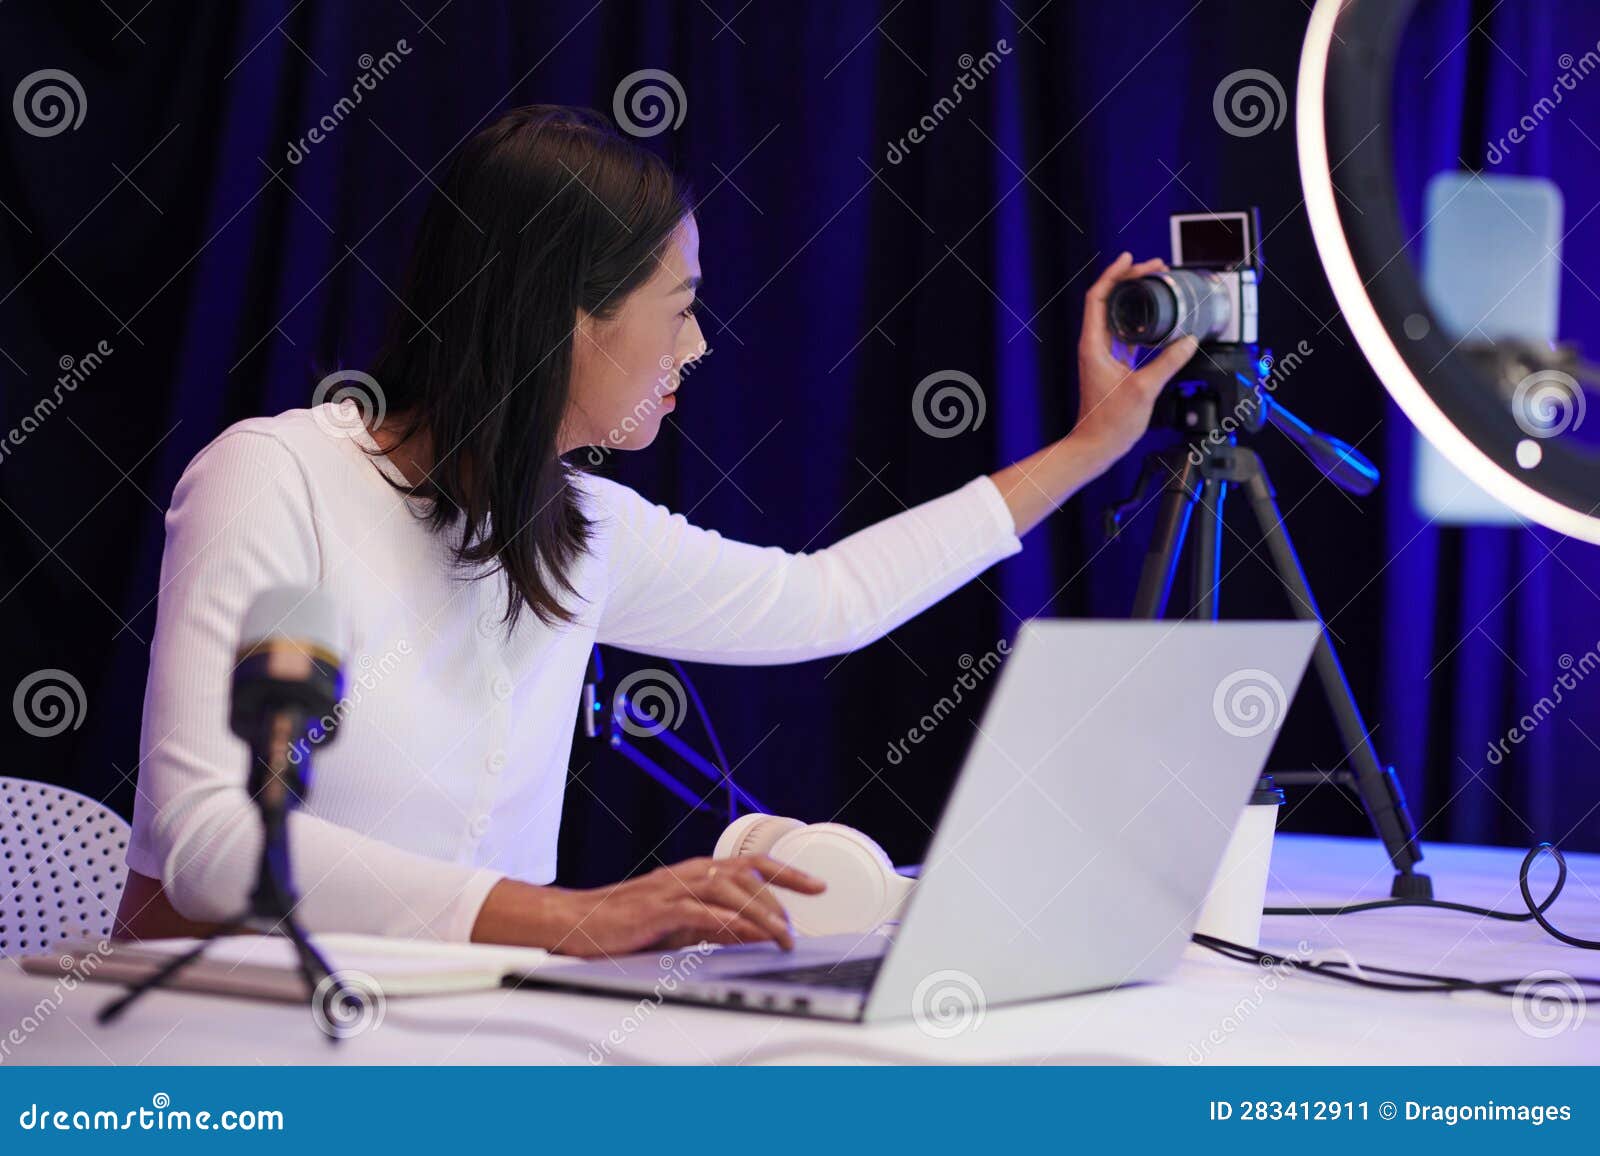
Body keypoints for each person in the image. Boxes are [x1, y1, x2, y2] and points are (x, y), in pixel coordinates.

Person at [115, 105, 1197, 957]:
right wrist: (569, 921)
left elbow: (830, 600)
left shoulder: (580, 523)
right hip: (235, 1042)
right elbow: (214, 840)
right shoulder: (277, 476)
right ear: (564, 314)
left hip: (461, 1037)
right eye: (677, 304)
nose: (697, 345)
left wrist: (1096, 443)